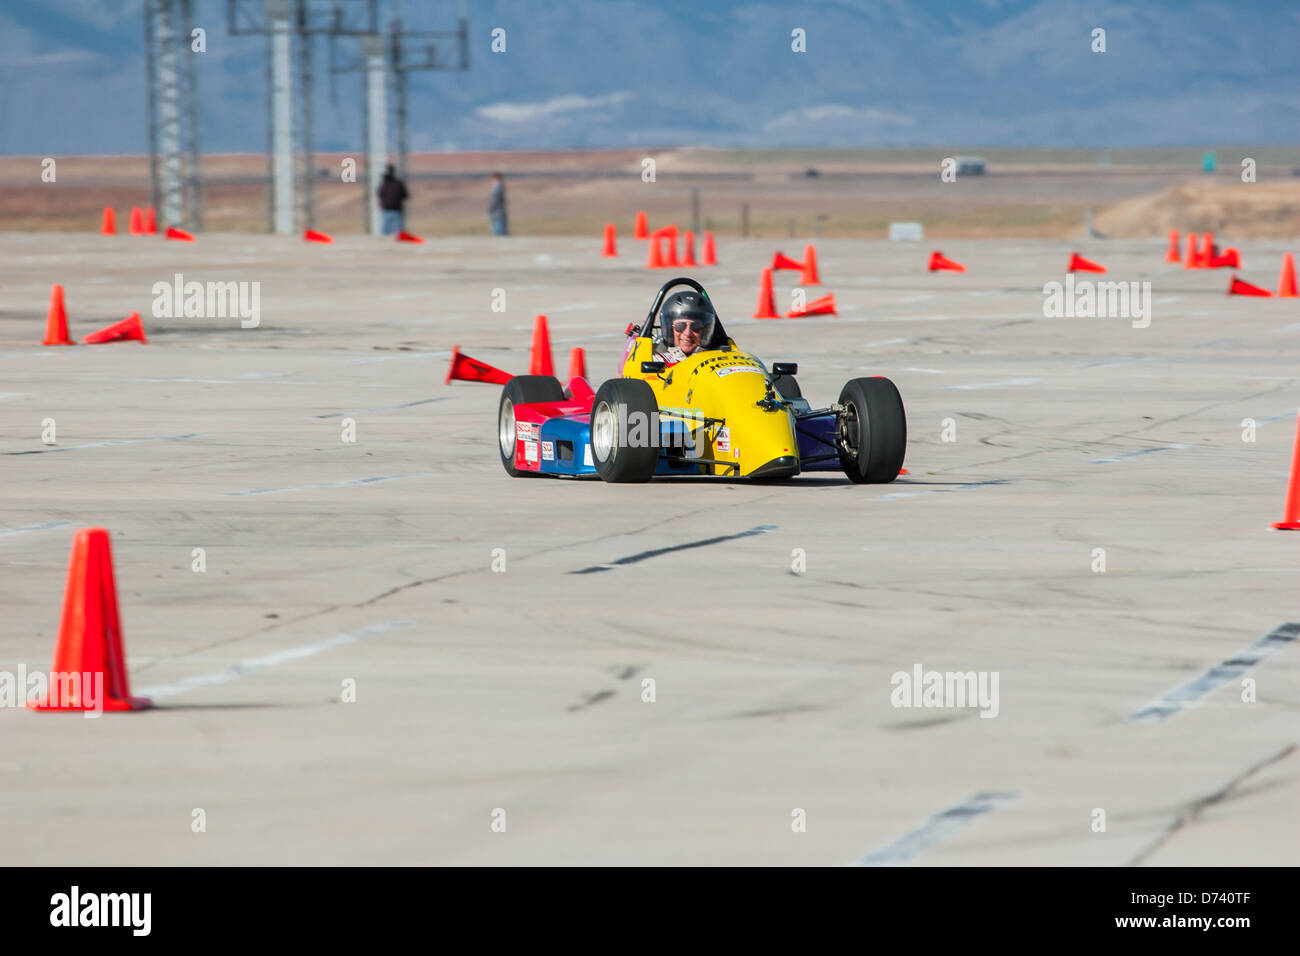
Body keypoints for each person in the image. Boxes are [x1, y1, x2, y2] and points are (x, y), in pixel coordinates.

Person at [654, 290, 718, 365]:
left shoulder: (716, 357)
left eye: (695, 327)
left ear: (703, 331)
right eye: (680, 326)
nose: (687, 333)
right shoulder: (655, 358)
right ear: (670, 330)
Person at [377, 164, 408, 236]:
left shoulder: (384, 184)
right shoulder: (398, 184)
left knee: (386, 232)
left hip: (389, 210)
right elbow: (405, 195)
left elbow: (380, 196)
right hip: (395, 209)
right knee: (396, 232)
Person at [488, 171, 508, 236]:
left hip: (497, 214)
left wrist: (490, 210)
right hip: (499, 214)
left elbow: (494, 201)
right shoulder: (500, 186)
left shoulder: (497, 187)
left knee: (500, 235)